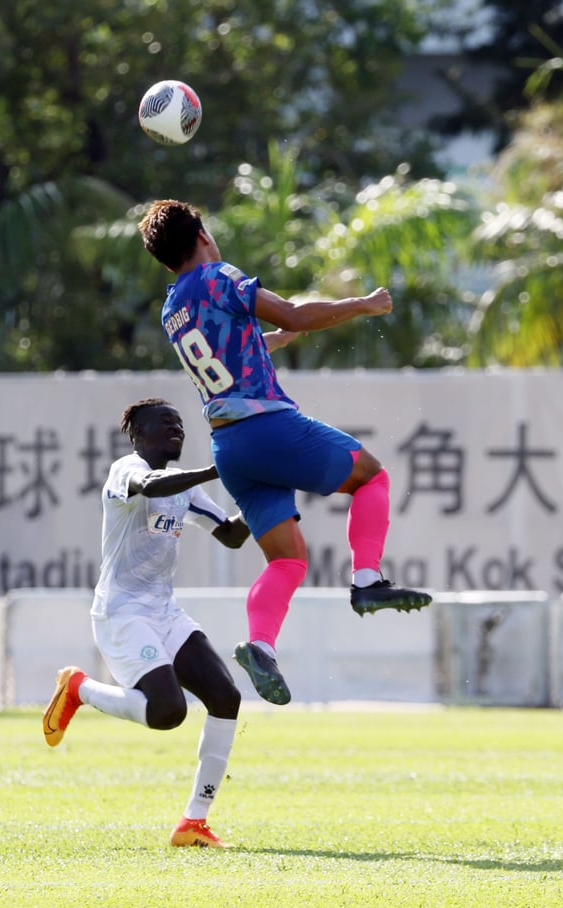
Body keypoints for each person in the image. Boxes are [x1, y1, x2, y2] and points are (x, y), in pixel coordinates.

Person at [137, 199, 432, 706]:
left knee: (289, 560)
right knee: (371, 477)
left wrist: (272, 340)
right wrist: (364, 304)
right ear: (203, 234)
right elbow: (295, 311)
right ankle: (367, 580)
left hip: (230, 448)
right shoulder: (217, 276)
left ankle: (260, 646)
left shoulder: (173, 308)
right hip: (268, 427)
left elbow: (226, 347)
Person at [42, 397, 253, 847]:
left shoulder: (186, 487)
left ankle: (193, 822)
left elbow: (231, 536)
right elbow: (151, 486)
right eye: (164, 422)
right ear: (137, 434)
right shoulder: (127, 469)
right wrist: (221, 470)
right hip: (121, 612)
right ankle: (79, 688)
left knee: (226, 696)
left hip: (163, 611)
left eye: (179, 422)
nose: (176, 427)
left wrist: (264, 496)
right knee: (168, 712)